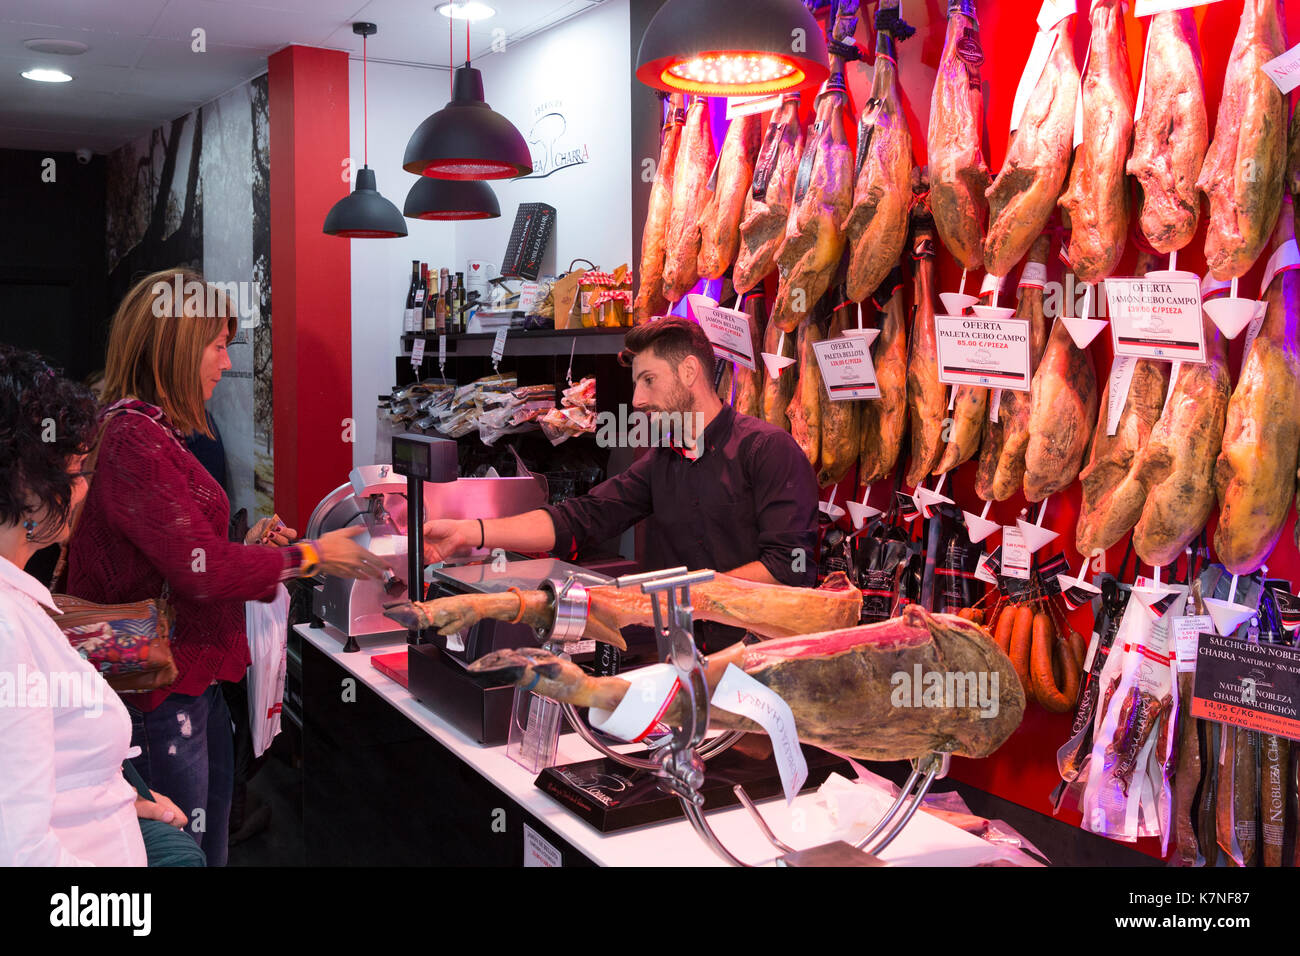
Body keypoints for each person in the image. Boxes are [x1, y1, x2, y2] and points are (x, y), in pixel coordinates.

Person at [65, 268, 388, 866]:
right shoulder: (136, 438)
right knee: (184, 855)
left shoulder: (151, 430)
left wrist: (252, 544)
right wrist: (310, 555)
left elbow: (182, 550)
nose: (225, 362)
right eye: (217, 346)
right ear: (177, 347)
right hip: (160, 694)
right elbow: (202, 572)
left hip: (186, 685)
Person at [422, 317, 819, 651]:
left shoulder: (767, 450)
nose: (638, 399)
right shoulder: (663, 462)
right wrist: (471, 532)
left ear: (689, 373)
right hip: (682, 664)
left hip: (761, 671)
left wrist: (679, 596)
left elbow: (790, 568)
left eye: (648, 380)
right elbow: (579, 518)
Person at [0, 345, 189, 865]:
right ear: (25, 480)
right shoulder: (7, 629)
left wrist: (119, 799)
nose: (83, 490)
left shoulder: (18, 604)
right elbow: (20, 849)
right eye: (77, 470)